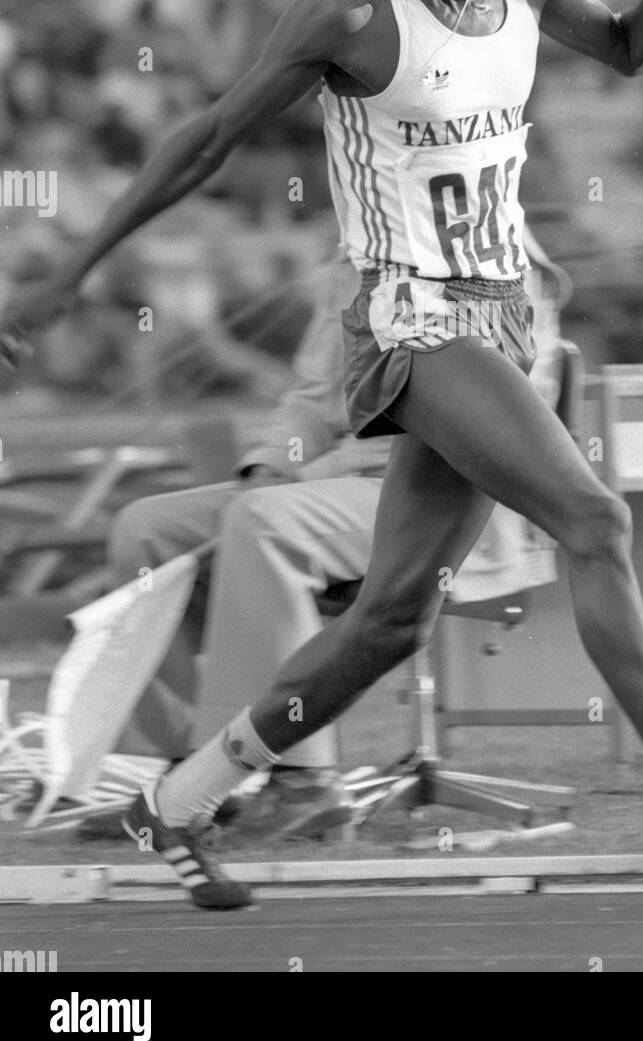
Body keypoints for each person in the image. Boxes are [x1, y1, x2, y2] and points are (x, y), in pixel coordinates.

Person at [0, 0, 643, 909]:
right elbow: (208, 139)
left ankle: (180, 800)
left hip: (498, 322)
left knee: (391, 622)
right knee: (597, 519)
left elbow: (628, 49)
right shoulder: (350, 15)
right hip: (406, 319)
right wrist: (72, 270)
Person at [82, 233, 563, 842]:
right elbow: (313, 394)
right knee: (148, 529)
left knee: (263, 522)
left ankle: (302, 787)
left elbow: (488, 428)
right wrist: (269, 470)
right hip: (333, 485)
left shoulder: (494, 255)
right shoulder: (359, 247)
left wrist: (300, 482)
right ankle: (188, 777)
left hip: (449, 495)